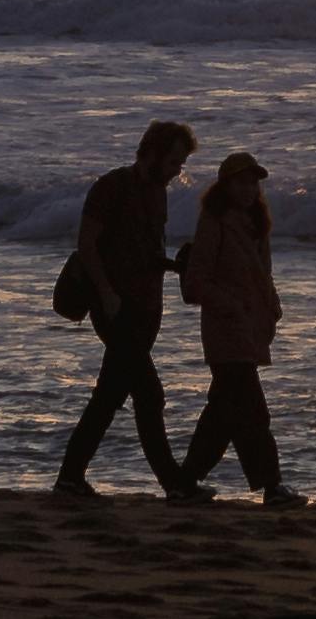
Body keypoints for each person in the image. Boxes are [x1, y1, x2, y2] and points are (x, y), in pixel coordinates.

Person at [52, 120, 197, 498]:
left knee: (111, 394)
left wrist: (175, 266)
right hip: (115, 309)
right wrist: (106, 293)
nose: (177, 171)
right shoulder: (111, 187)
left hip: (147, 310)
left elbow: (146, 254)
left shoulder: (158, 194)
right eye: (173, 161)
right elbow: (87, 245)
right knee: (149, 394)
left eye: (180, 164)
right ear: (151, 153)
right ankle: (175, 485)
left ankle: (70, 478)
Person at [174, 149, 294, 507]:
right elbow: (196, 282)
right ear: (226, 185)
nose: (248, 189)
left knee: (225, 413)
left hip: (251, 329)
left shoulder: (257, 223)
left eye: (253, 183)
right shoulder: (214, 221)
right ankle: (271, 487)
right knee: (252, 412)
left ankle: (184, 483)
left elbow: (264, 275)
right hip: (225, 330)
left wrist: (272, 307)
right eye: (241, 182)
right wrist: (232, 305)